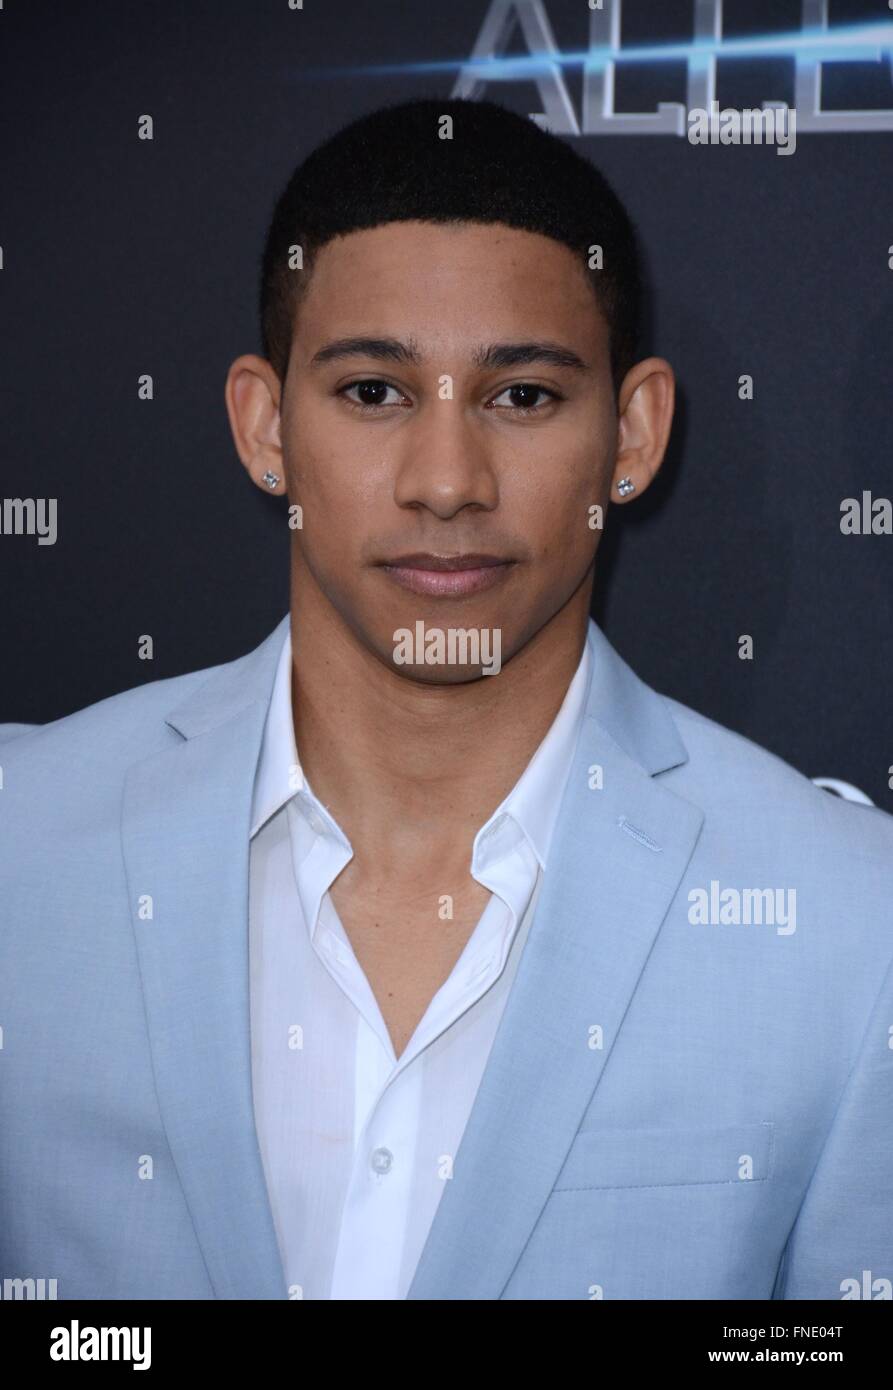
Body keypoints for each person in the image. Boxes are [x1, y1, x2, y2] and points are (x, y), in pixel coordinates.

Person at [1, 97, 891, 1302]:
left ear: (631, 435)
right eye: (373, 391)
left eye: (519, 395)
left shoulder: (844, 921)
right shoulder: (22, 842)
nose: (445, 483)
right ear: (265, 427)